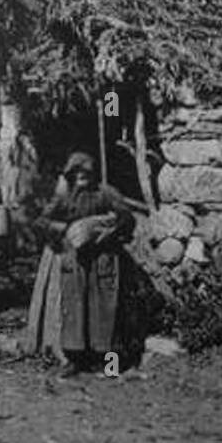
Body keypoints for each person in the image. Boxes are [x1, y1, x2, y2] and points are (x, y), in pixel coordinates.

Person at [24, 151, 136, 374]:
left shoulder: (105, 193)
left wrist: (107, 230)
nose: (82, 177)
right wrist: (63, 231)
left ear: (93, 174)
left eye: (86, 173)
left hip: (102, 258)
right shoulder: (64, 197)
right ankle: (75, 360)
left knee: (105, 310)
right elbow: (41, 221)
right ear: (71, 175)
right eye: (77, 173)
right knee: (74, 309)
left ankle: (109, 362)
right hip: (74, 260)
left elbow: (127, 218)